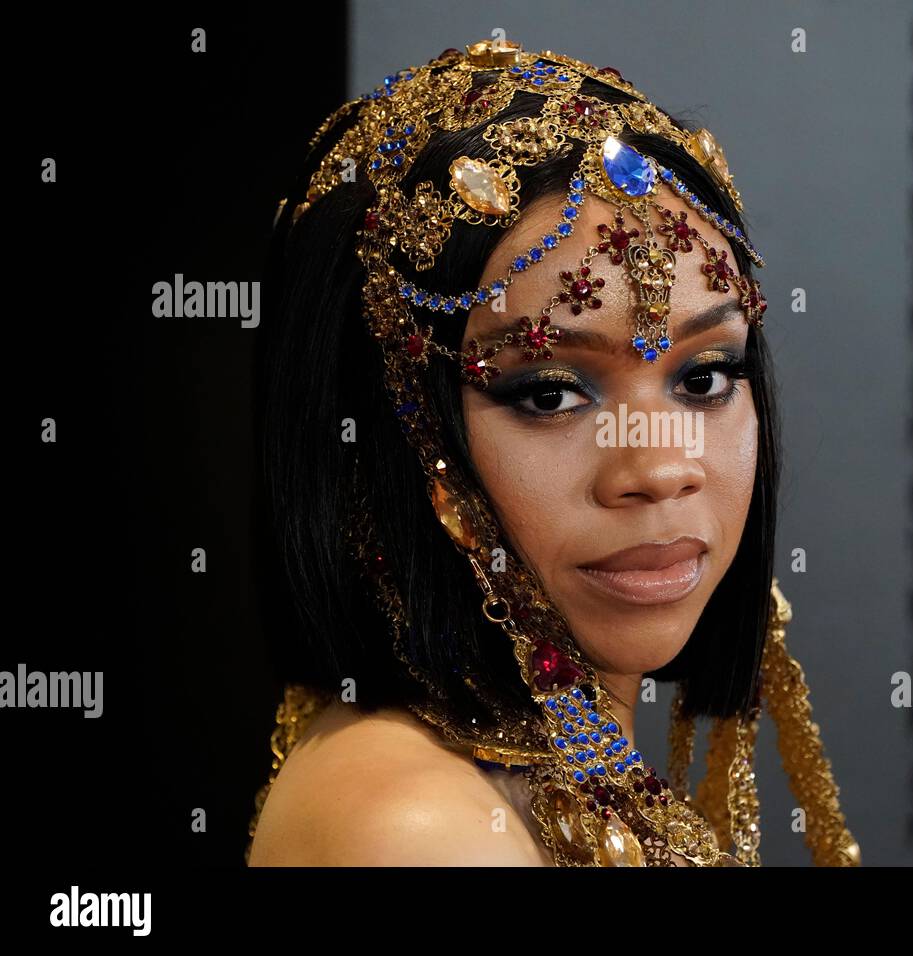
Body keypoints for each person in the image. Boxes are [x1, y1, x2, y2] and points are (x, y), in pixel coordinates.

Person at [245, 37, 858, 867]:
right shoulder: (417, 829)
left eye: (705, 377)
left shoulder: (553, 779)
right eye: (550, 393)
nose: (660, 466)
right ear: (391, 429)